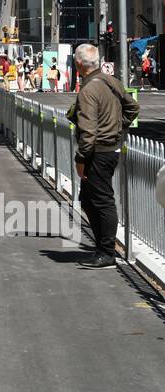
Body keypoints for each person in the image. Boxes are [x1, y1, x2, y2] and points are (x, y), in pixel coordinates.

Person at [67, 43, 139, 269]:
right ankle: (103, 248)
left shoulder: (89, 90)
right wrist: (117, 128)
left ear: (79, 64)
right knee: (88, 200)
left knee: (102, 201)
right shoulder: (111, 81)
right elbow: (133, 108)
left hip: (98, 152)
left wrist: (81, 159)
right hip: (108, 148)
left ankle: (107, 253)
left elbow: (88, 131)